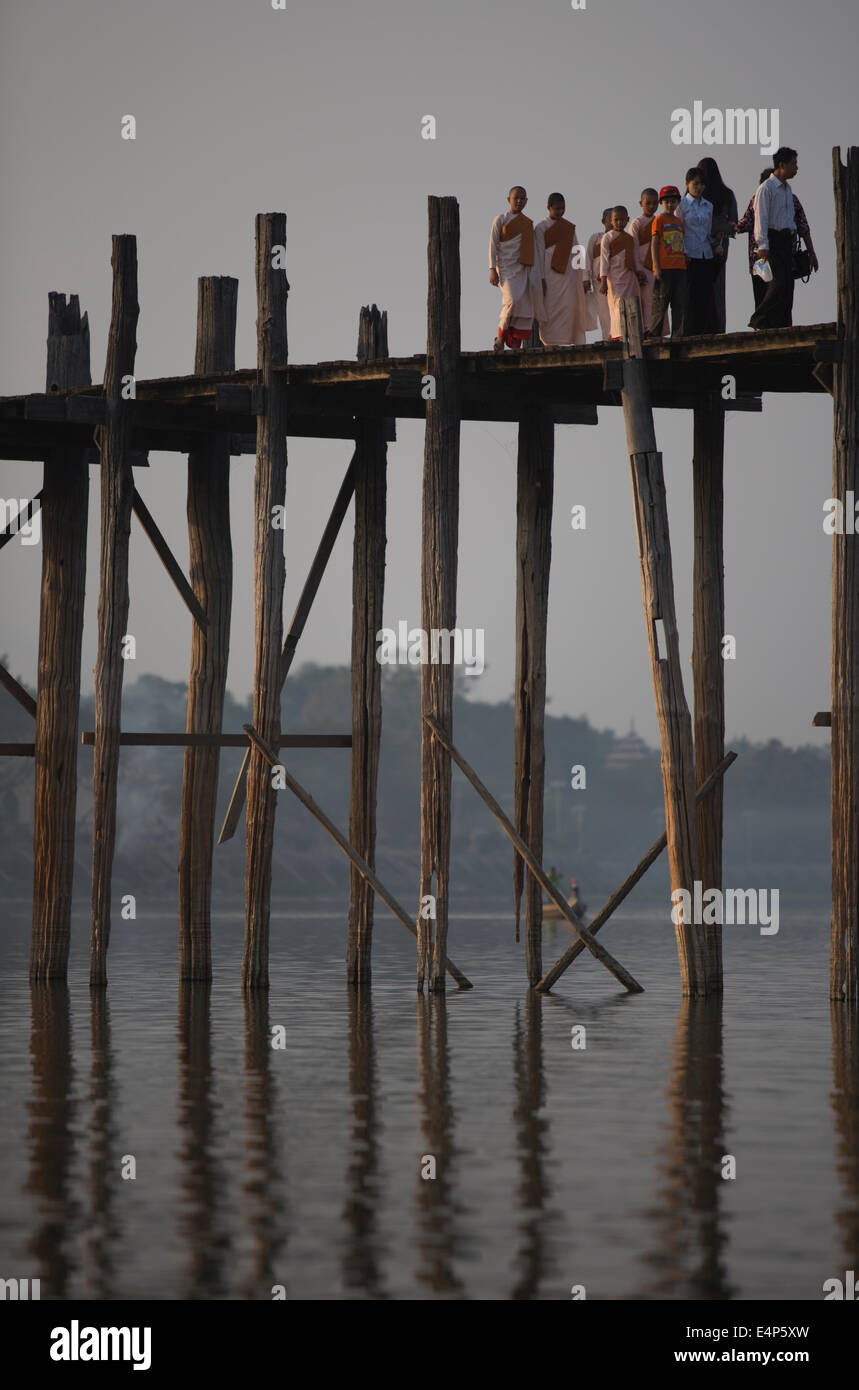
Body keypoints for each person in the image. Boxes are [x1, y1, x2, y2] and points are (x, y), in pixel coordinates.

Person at [748, 147, 815, 330]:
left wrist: (810, 251)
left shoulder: (787, 189)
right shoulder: (766, 188)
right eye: (793, 164)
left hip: (786, 240)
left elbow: (793, 221)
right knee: (778, 282)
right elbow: (760, 217)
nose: (796, 168)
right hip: (773, 239)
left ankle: (783, 323)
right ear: (781, 165)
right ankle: (759, 318)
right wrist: (762, 244)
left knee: (788, 285)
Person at [736, 168, 818, 314]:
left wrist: (729, 227)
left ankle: (760, 325)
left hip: (760, 259)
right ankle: (779, 327)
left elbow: (746, 223)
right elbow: (803, 228)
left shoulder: (758, 198)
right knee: (784, 296)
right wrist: (811, 252)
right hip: (786, 256)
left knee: (763, 295)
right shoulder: (792, 199)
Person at [489, 186, 543, 351]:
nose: (519, 201)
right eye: (516, 198)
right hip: (505, 268)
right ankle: (500, 336)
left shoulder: (528, 224)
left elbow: (533, 250)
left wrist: (538, 277)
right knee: (511, 300)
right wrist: (492, 268)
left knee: (523, 304)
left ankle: (514, 341)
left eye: (522, 198)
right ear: (509, 200)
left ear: (526, 201)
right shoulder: (500, 219)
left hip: (523, 269)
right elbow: (492, 245)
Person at [535, 193, 592, 347]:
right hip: (548, 274)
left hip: (568, 275)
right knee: (550, 308)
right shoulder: (541, 227)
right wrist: (540, 278)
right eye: (557, 208)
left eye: (562, 208)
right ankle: (549, 342)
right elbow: (539, 253)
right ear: (548, 208)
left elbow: (577, 251)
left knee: (569, 306)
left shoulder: (568, 227)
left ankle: (569, 340)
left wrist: (584, 277)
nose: (560, 212)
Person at [696, 157, 738, 334]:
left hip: (699, 245)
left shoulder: (696, 195)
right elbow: (734, 222)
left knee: (699, 286)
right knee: (718, 287)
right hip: (721, 244)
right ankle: (718, 328)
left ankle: (701, 327)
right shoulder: (727, 193)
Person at [599, 206, 647, 341]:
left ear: (627, 220)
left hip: (629, 277)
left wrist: (639, 272)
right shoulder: (607, 238)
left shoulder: (630, 238)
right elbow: (604, 259)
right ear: (611, 221)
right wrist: (603, 280)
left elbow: (635, 257)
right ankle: (618, 334)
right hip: (614, 278)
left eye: (622, 220)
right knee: (617, 306)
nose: (619, 223)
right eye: (616, 220)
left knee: (632, 303)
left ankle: (634, 333)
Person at [678, 167, 715, 334]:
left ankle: (703, 329)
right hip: (689, 254)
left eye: (701, 184)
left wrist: (715, 244)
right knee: (689, 294)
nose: (698, 187)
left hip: (705, 253)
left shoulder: (709, 206)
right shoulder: (682, 204)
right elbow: (678, 230)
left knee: (704, 292)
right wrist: (683, 252)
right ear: (687, 184)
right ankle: (688, 330)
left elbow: (708, 230)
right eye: (695, 184)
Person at [650, 185, 688, 337]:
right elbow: (654, 243)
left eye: (673, 201)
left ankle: (678, 335)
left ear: (677, 202)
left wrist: (685, 257)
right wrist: (656, 267)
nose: (670, 204)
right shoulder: (659, 220)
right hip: (664, 268)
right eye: (667, 202)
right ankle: (655, 335)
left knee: (679, 304)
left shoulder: (678, 222)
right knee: (660, 303)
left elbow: (680, 242)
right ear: (661, 203)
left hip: (679, 267)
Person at [629, 188, 660, 334]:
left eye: (654, 203)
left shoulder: (659, 221)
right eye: (648, 203)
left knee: (655, 299)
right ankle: (645, 330)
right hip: (641, 267)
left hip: (657, 267)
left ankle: (655, 329)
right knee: (643, 300)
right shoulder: (636, 223)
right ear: (641, 203)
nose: (651, 207)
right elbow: (632, 247)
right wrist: (637, 269)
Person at [585, 208, 614, 340]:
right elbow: (587, 259)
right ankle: (607, 339)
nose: (613, 222)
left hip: (616, 282)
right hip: (599, 285)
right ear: (603, 221)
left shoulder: (620, 238)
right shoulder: (596, 238)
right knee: (604, 312)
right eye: (610, 219)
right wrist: (585, 278)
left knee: (616, 312)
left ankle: (617, 338)